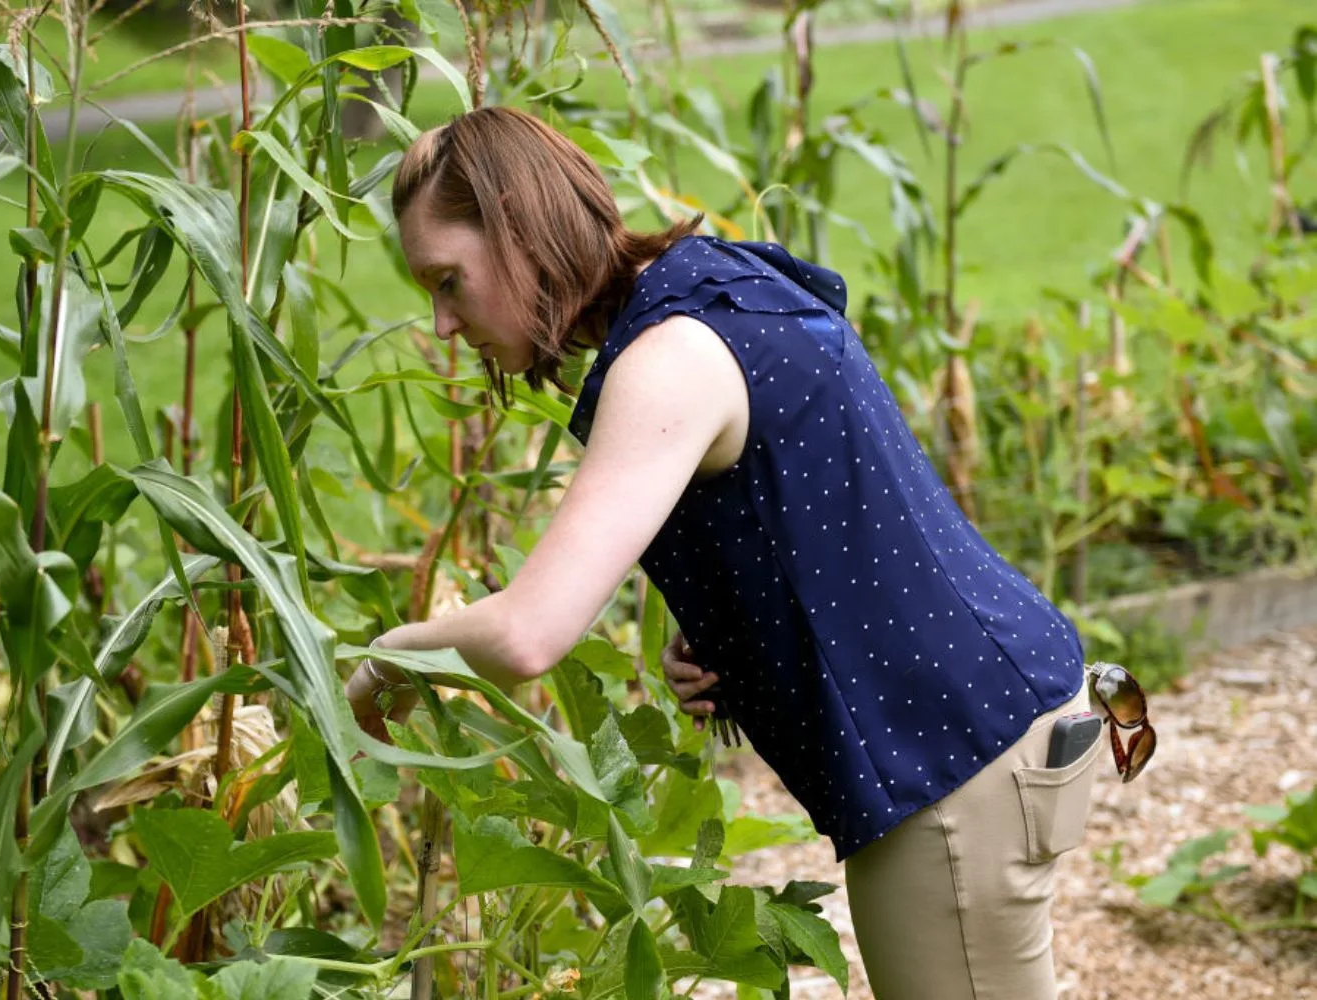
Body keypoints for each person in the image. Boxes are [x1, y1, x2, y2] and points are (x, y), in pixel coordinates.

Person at [344, 106, 1154, 999]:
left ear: (513, 223)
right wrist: (741, 620)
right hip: (994, 715)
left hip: (953, 772)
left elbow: (532, 633)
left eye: (447, 281)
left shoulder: (667, 360)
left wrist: (382, 664)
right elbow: (817, 483)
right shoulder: (708, 277)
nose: (442, 323)